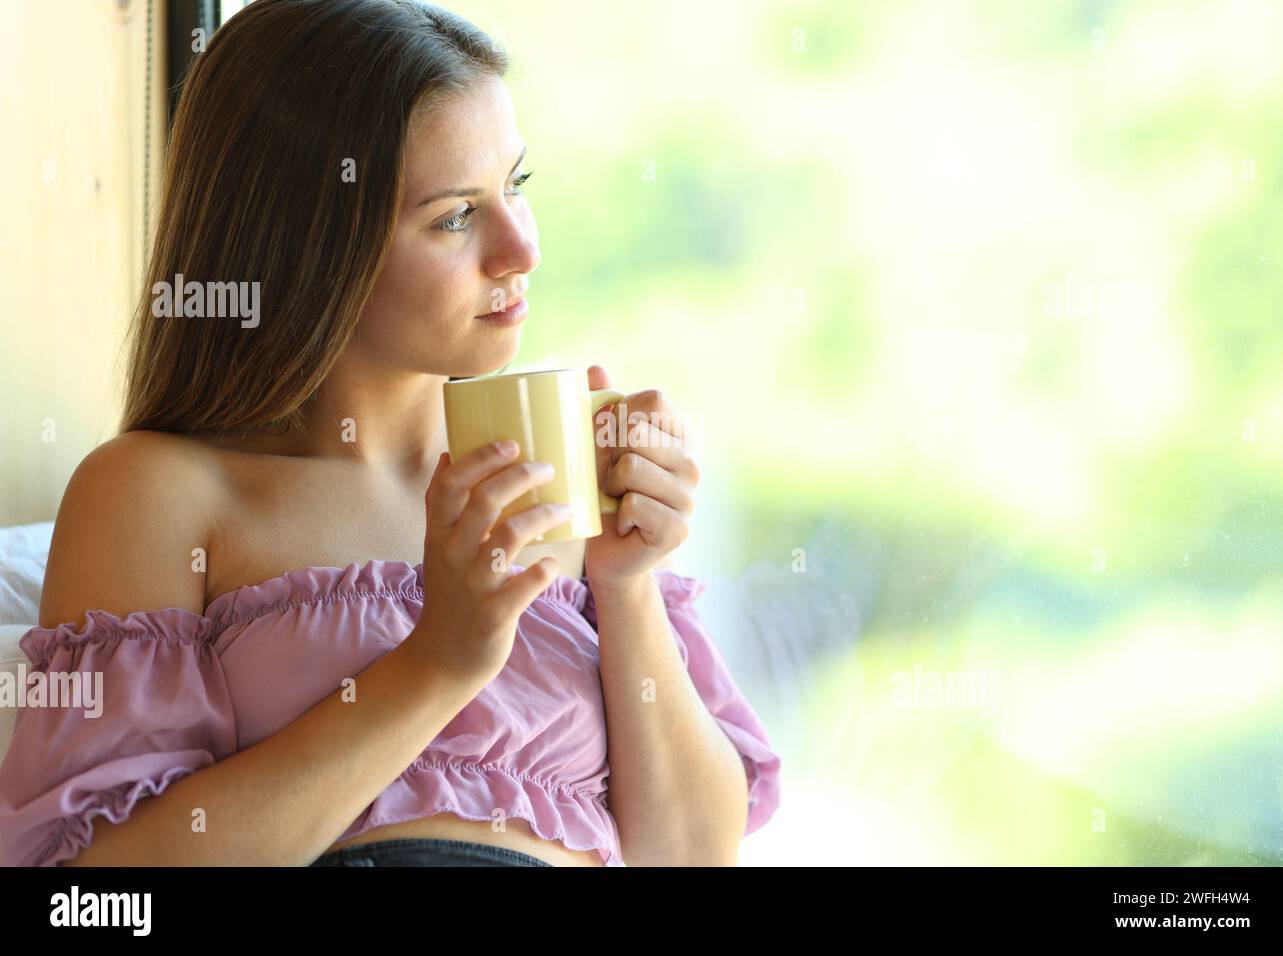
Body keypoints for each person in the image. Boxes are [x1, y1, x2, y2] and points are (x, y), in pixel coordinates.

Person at [0, 0, 780, 867]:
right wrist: (437, 665)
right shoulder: (163, 493)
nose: (521, 249)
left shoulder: (552, 467)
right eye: (455, 217)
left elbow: (692, 855)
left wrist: (628, 585)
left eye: (516, 187)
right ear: (306, 245)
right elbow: (99, 893)